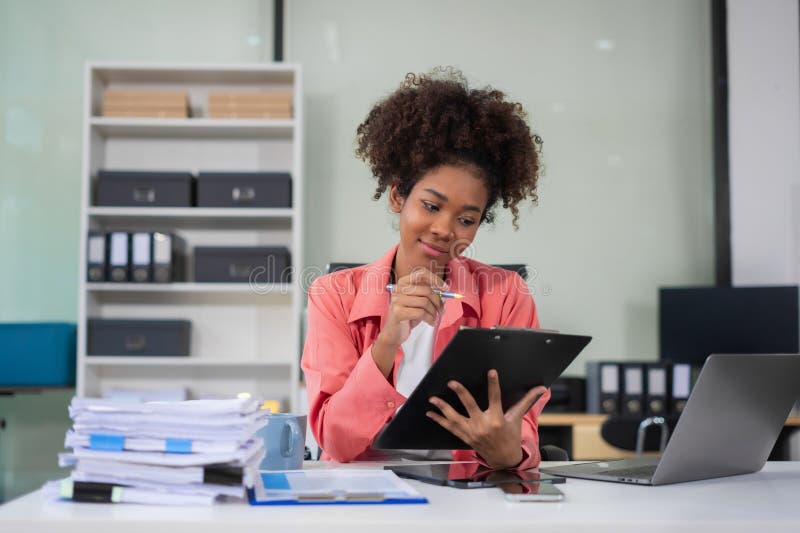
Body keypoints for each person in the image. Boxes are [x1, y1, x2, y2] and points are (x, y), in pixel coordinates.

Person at [301, 67, 548, 470]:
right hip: (365, 492)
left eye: (466, 219)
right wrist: (387, 340)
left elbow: (521, 437)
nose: (444, 230)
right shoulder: (332, 294)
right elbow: (336, 442)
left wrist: (510, 454)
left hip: (466, 490)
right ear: (398, 196)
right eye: (431, 206)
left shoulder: (506, 295)